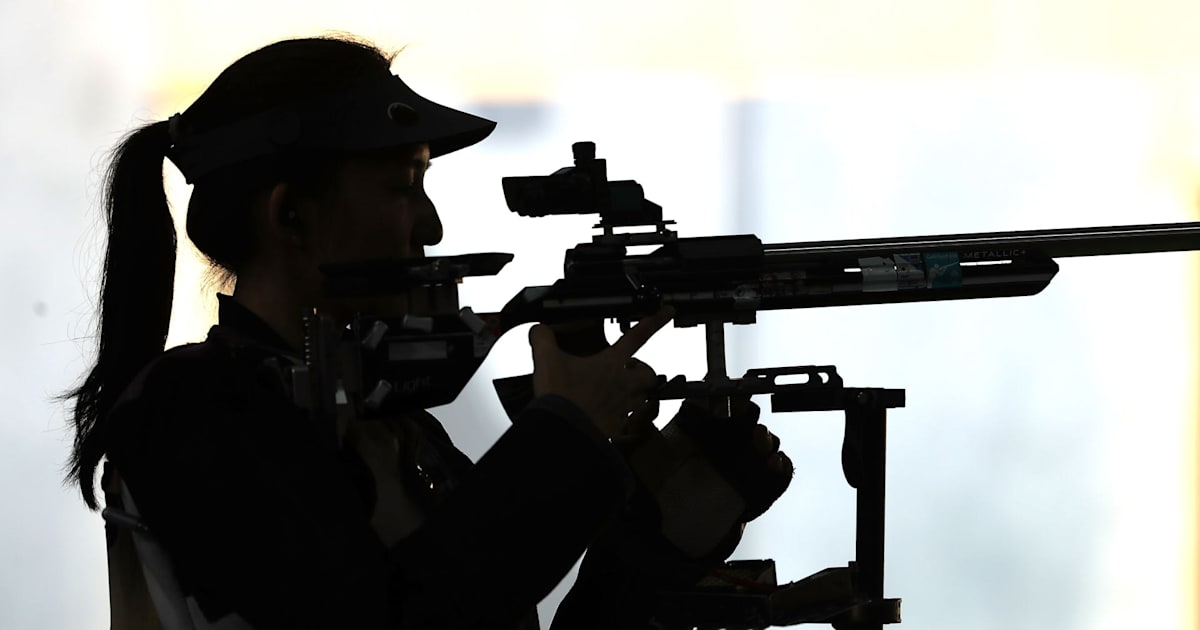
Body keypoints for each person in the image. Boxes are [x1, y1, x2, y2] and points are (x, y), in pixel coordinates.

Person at [63, 35, 793, 629]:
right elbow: (390, 620)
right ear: (289, 215)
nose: (431, 224)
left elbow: (463, 604)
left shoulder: (392, 427)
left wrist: (656, 533)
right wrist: (567, 431)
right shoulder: (193, 410)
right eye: (401, 185)